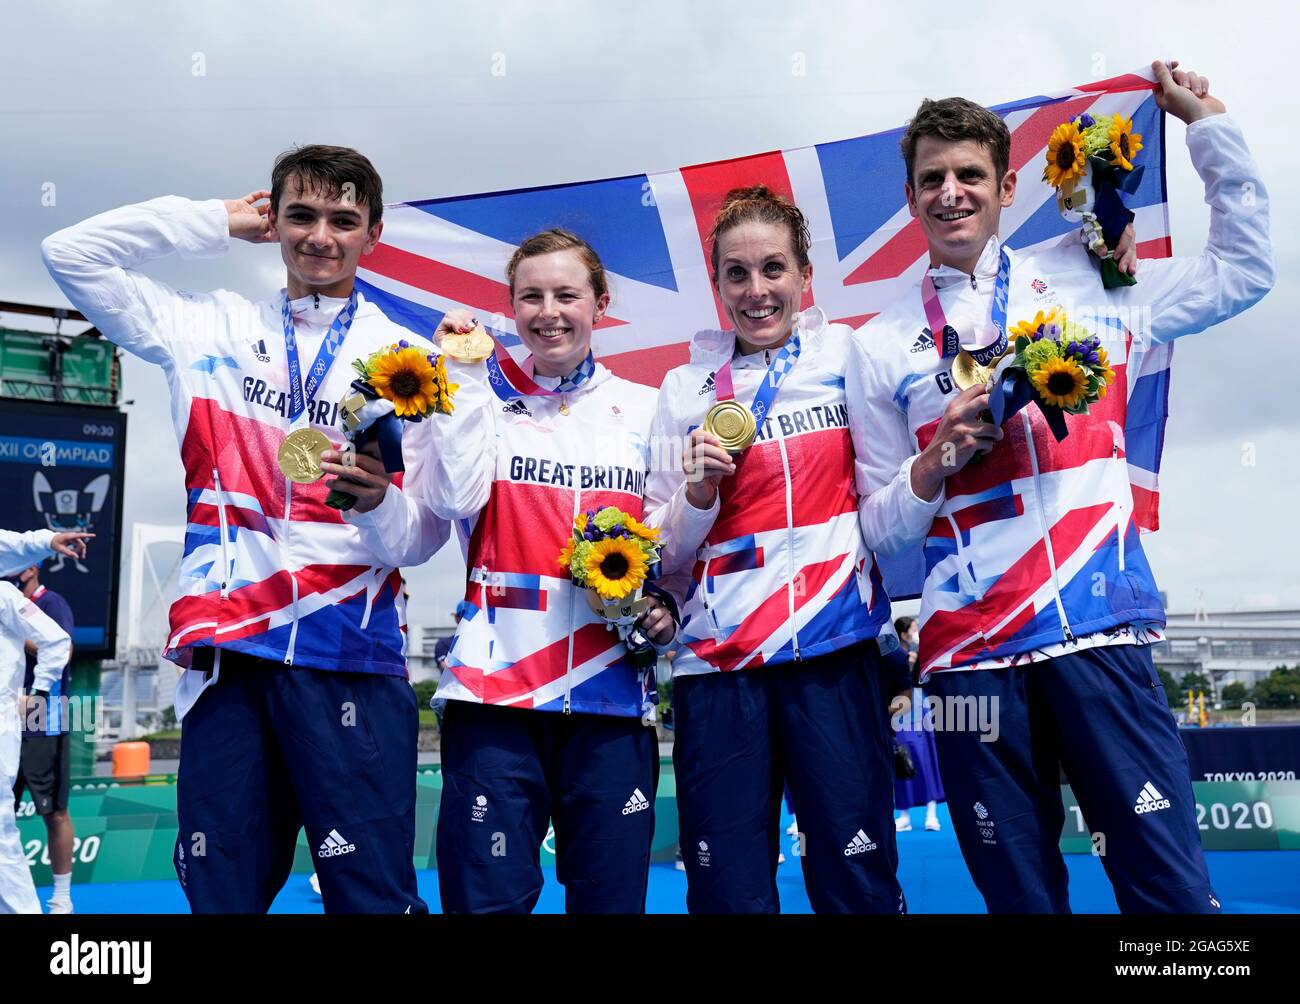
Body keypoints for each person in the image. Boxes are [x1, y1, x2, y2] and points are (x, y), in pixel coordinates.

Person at [847, 62, 1273, 913]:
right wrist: (933, 463)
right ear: (911, 198)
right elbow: (879, 528)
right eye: (932, 178)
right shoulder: (881, 344)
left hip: (1100, 634)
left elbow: (1244, 273)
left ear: (1008, 186)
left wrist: (1209, 128)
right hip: (968, 664)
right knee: (1019, 898)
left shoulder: (1094, 278)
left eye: (970, 174)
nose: (951, 192)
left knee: (1173, 894)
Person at [42, 146, 450, 914]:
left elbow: (425, 537)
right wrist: (214, 221)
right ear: (274, 219)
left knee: (372, 900)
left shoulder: (411, 362)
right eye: (300, 215)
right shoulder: (206, 327)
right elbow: (69, 254)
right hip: (229, 655)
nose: (319, 236)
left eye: (343, 219)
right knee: (222, 897)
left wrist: (381, 507)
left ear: (375, 232)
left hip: (350, 654)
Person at [357, 228, 676, 914]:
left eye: (567, 294)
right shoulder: (476, 397)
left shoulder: (650, 408)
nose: (549, 311)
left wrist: (665, 607)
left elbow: (672, 546)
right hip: (495, 698)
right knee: (486, 906)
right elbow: (450, 500)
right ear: (510, 307)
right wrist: (465, 380)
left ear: (602, 304)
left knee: (611, 906)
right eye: (531, 296)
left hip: (610, 697)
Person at [644, 187, 903, 914]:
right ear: (717, 282)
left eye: (773, 269)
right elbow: (660, 548)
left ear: (804, 275)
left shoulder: (851, 356)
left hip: (834, 653)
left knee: (858, 882)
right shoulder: (683, 388)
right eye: (736, 274)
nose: (756, 292)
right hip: (720, 669)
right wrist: (696, 496)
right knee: (729, 892)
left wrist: (1105, 252)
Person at [1, 531, 75, 914]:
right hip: (18, 717)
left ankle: (59, 898)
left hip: (35, 720)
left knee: (49, 812)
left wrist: (39, 696)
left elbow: (60, 643)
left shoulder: (39, 602)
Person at [886, 617, 943, 833]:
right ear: (903, 634)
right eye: (913, 629)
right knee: (901, 760)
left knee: (925, 762)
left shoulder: (920, 653)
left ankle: (931, 814)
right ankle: (904, 815)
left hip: (920, 710)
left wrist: (915, 661)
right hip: (898, 713)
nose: (916, 632)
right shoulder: (893, 657)